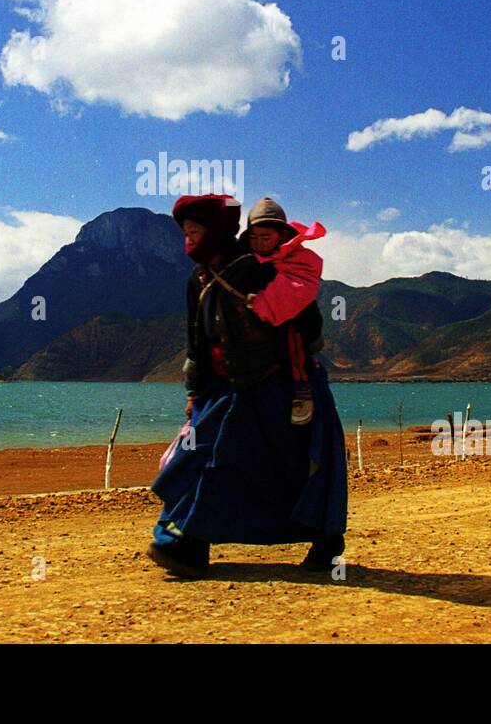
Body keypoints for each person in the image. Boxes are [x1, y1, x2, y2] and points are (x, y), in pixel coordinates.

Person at [146, 193, 348, 580]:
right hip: (221, 389)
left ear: (216, 232)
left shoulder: (261, 271)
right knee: (199, 458)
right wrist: (193, 391)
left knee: (300, 463)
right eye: (185, 233)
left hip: (283, 386)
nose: (188, 240)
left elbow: (309, 325)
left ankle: (326, 542)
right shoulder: (198, 279)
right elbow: (196, 343)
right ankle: (183, 542)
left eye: (195, 232)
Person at [241, 196, 327, 426]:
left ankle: (301, 388)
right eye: (254, 237)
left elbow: (297, 289)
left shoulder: (300, 259)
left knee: (291, 336)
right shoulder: (244, 261)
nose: (259, 242)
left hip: (299, 322)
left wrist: (262, 302)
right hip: (257, 324)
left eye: (266, 237)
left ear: (282, 235)